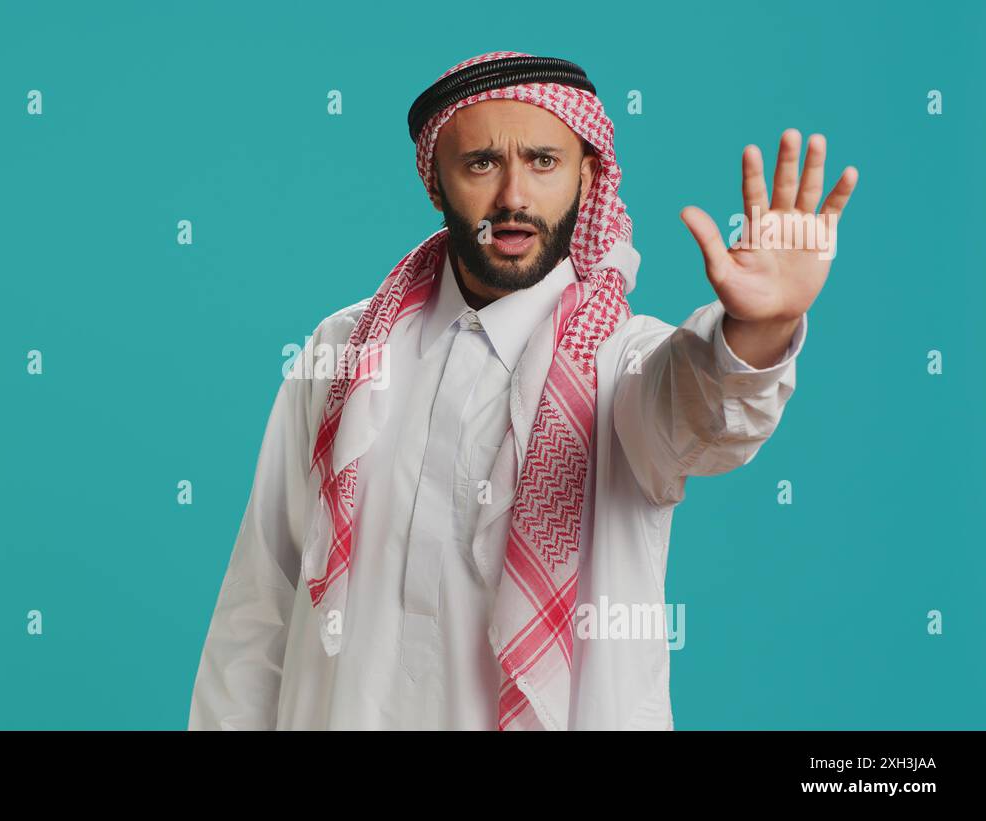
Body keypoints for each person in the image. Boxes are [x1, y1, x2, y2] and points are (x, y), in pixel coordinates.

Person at [188, 51, 858, 730]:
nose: (514, 196)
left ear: (587, 175)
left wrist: (759, 330)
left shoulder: (618, 360)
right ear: (435, 183)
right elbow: (261, 601)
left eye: (544, 161)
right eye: (481, 163)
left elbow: (704, 409)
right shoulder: (344, 349)